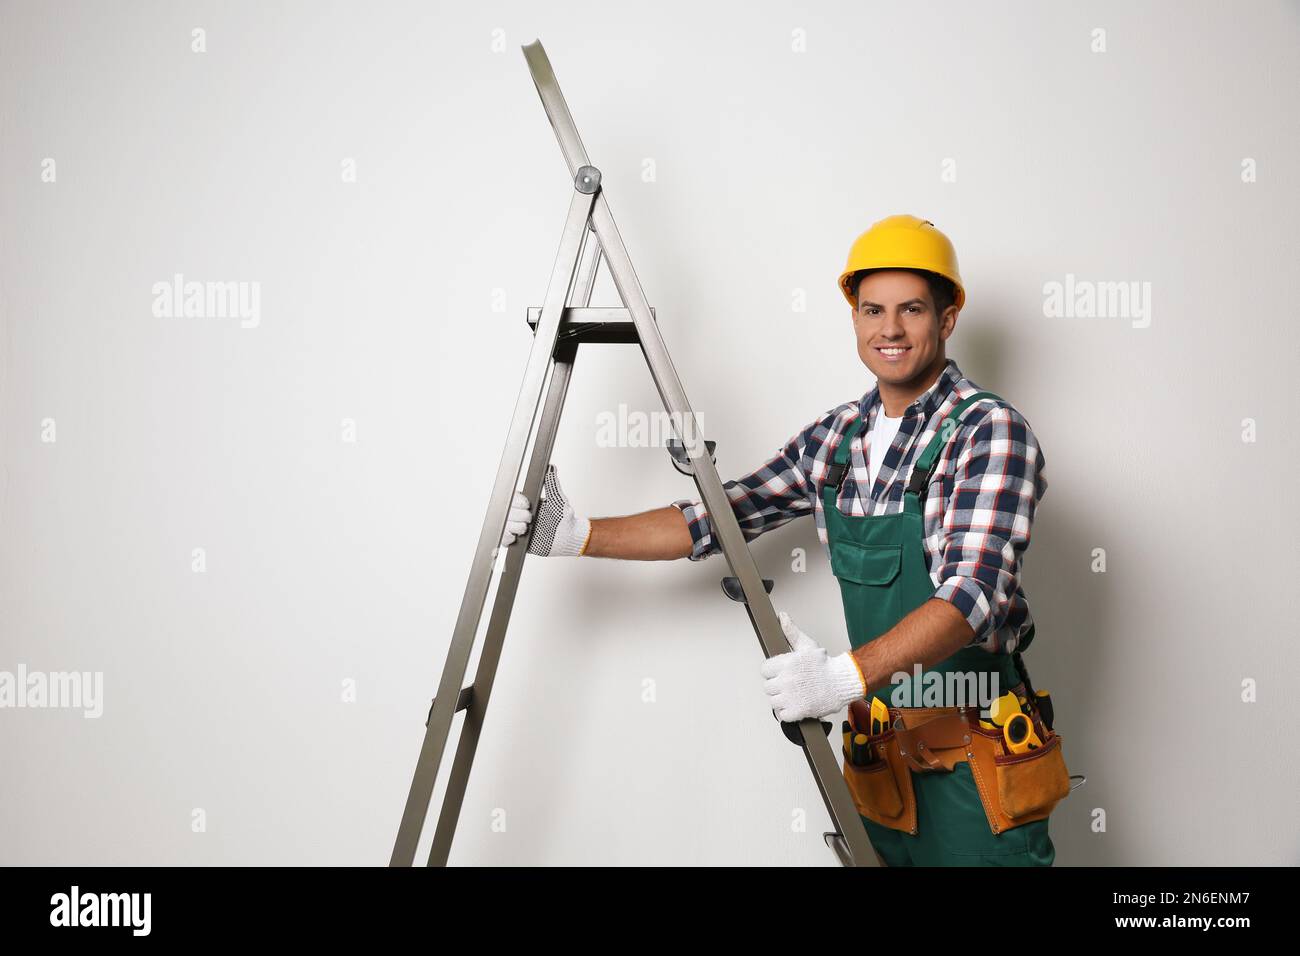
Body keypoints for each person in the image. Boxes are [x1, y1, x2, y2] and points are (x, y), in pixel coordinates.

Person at [503, 214, 1058, 866]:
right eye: (873, 309)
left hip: (977, 763)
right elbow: (719, 517)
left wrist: (838, 678)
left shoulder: (988, 432)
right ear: (853, 315)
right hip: (884, 765)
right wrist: (577, 535)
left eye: (912, 309)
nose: (891, 329)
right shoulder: (838, 439)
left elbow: (974, 596)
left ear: (947, 317)